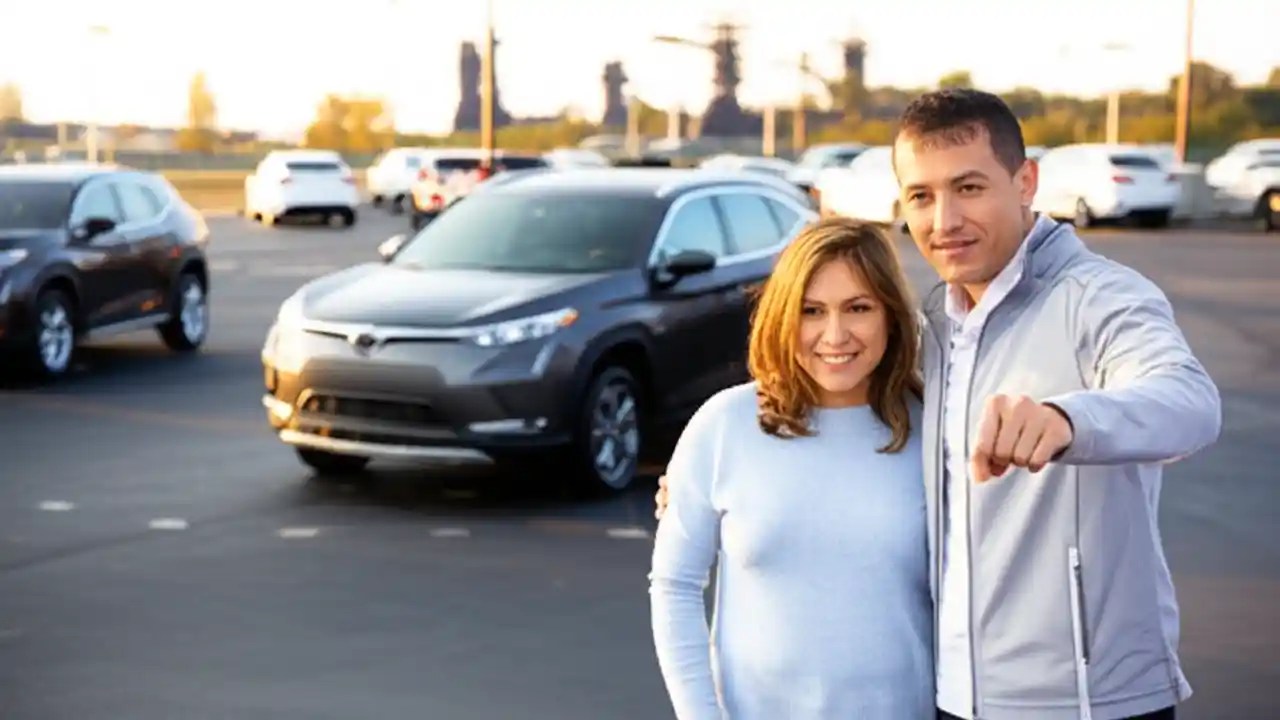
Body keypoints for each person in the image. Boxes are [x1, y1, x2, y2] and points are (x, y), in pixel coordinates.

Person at [655, 89, 1222, 720]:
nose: (944, 219)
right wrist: (705, 484)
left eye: (970, 187)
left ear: (1025, 181)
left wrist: (1068, 421)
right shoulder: (937, 337)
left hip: (1089, 703)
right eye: (922, 196)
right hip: (958, 704)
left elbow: (1187, 399)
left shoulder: (1098, 298)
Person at [649, 217, 935, 719]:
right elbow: (675, 585)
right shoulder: (725, 425)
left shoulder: (934, 429)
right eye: (812, 311)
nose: (835, 334)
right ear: (783, 317)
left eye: (859, 308)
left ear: (890, 314)